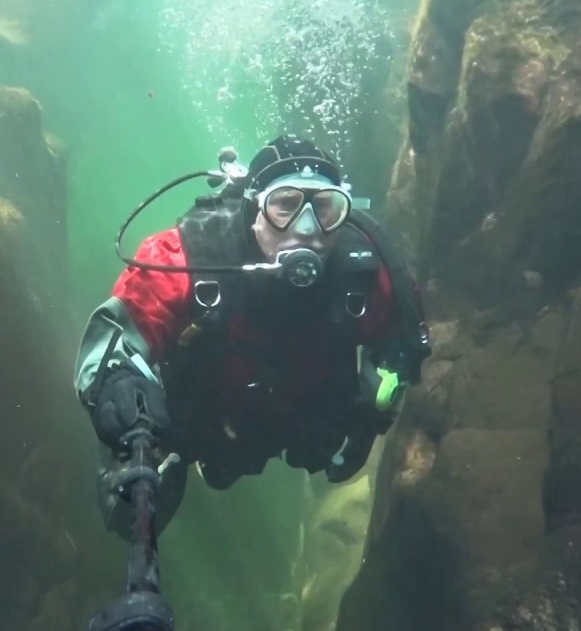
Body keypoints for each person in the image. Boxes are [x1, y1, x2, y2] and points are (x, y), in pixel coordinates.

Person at [73, 135, 430, 539]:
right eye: (286, 205)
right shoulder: (186, 258)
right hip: (204, 417)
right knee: (134, 507)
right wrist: (119, 387)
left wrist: (370, 416)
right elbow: (117, 336)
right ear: (254, 209)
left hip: (300, 419)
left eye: (326, 209)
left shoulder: (364, 275)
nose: (308, 229)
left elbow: (402, 340)